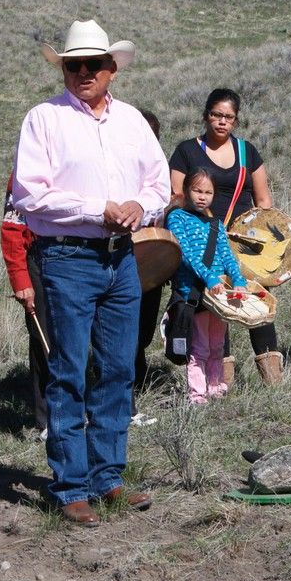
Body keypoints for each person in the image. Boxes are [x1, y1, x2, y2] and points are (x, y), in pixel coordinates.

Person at [12, 18, 170, 527]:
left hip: (121, 255)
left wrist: (137, 210)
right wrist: (97, 208)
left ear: (111, 70)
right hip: (66, 257)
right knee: (69, 370)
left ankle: (108, 477)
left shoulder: (131, 122)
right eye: (72, 65)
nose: (82, 72)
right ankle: (70, 484)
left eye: (92, 65)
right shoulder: (43, 119)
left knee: (120, 367)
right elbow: (29, 194)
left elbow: (159, 183)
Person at [169, 88, 282, 385]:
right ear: (206, 115)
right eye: (217, 115)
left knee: (256, 303)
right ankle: (219, 382)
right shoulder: (186, 151)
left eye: (229, 117)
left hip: (244, 245)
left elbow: (264, 201)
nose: (222, 122)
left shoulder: (248, 152)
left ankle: (273, 381)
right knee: (215, 307)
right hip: (203, 243)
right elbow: (176, 196)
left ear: (236, 120)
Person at [165, 169, 248, 404]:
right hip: (194, 292)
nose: (202, 197)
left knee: (217, 343)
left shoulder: (215, 224)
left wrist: (238, 279)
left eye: (208, 192)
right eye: (197, 190)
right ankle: (197, 392)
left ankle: (215, 385)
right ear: (187, 191)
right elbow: (186, 253)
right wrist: (209, 276)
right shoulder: (177, 218)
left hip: (219, 293)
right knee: (199, 345)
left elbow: (227, 255)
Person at [1, 171, 49, 439]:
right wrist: (21, 278)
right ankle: (48, 419)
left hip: (81, 259)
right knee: (44, 338)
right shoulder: (25, 171)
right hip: (40, 258)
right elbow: (12, 227)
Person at [131, 108, 162, 426]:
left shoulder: (161, 173)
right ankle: (122, 394)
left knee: (143, 329)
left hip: (154, 264)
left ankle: (136, 379)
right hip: (123, 261)